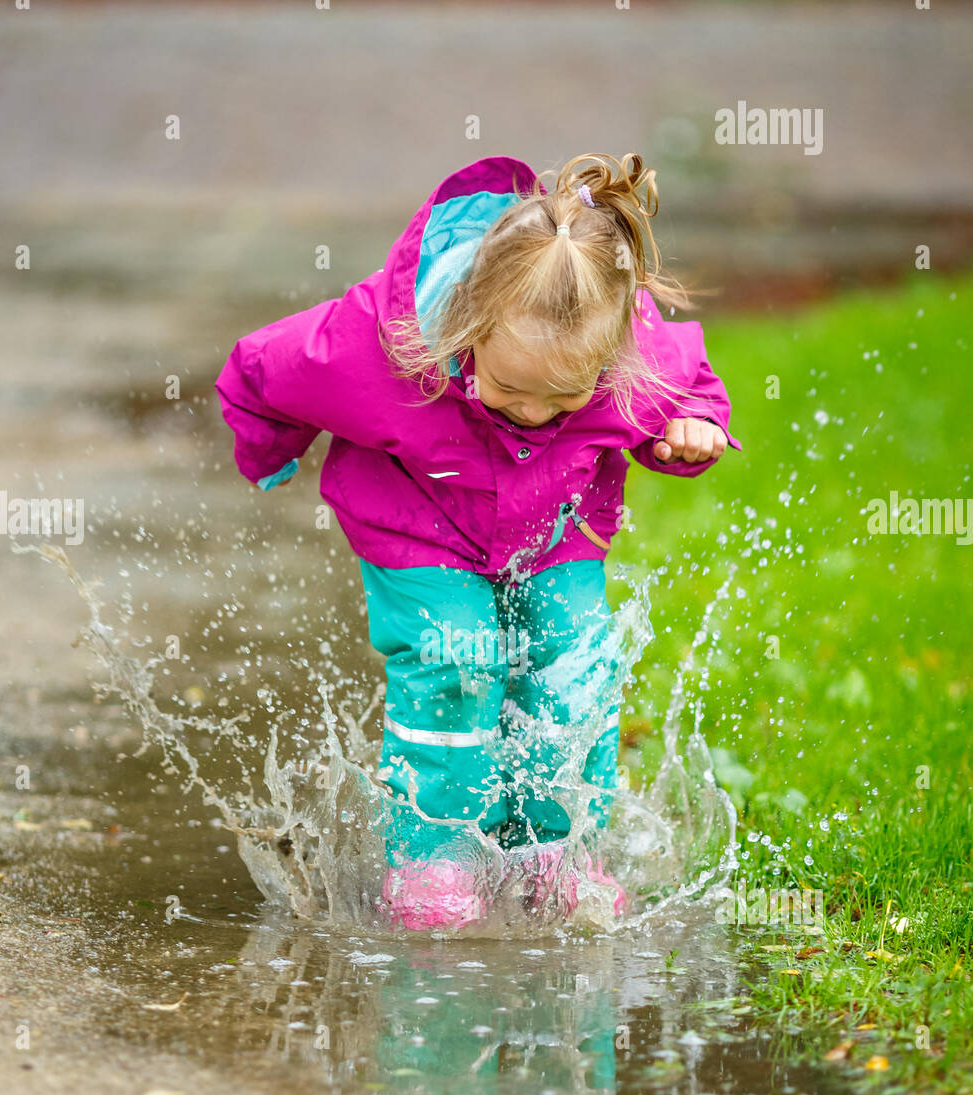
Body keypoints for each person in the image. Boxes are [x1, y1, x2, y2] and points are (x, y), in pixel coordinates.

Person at [216, 153, 740, 930]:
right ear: (466, 322)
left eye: (563, 397)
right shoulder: (377, 347)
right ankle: (436, 859)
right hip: (415, 524)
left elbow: (685, 388)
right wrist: (267, 452)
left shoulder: (627, 348)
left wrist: (691, 431)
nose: (533, 413)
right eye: (509, 390)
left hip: (557, 529)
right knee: (459, 662)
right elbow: (261, 370)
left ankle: (551, 851)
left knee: (575, 668)